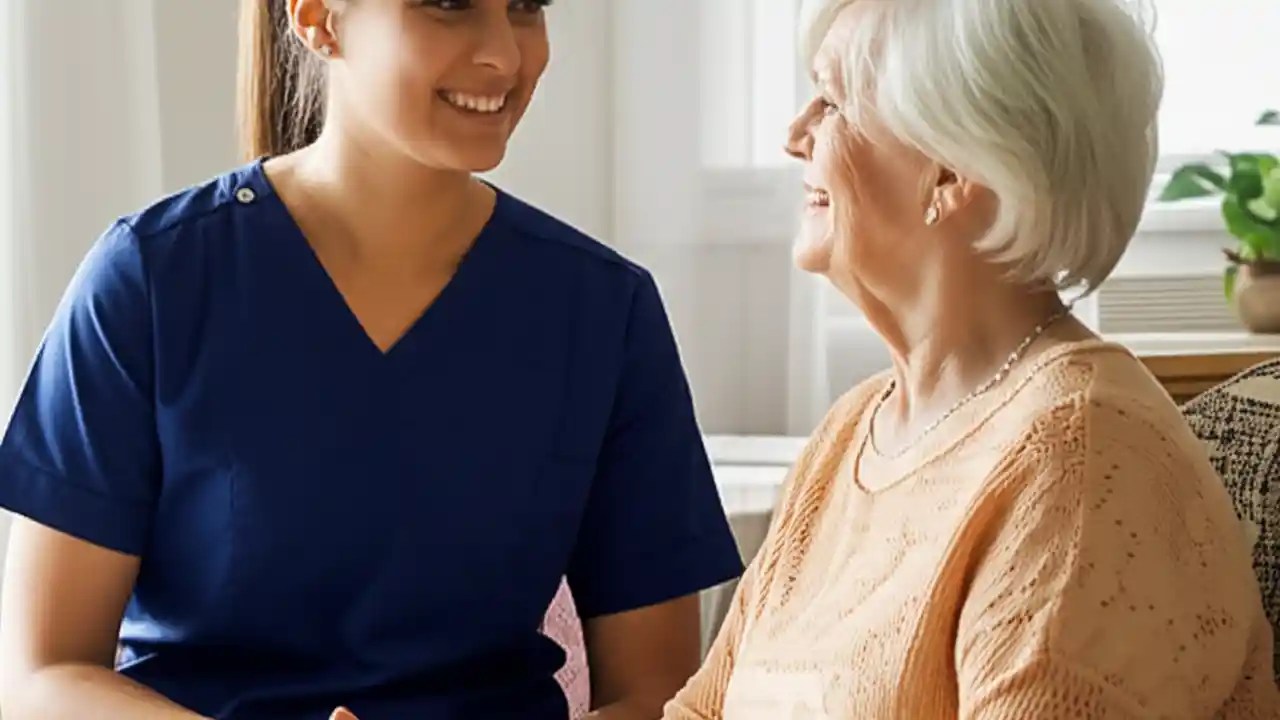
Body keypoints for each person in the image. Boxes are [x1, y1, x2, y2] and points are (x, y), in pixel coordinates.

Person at [0, 0, 743, 718]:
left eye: (525, 5)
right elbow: (42, 675)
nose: (505, 54)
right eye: (448, 4)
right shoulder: (153, 279)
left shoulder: (604, 312)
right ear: (320, 17)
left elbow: (661, 697)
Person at [663, 0, 1280, 717]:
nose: (795, 136)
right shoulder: (852, 432)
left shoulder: (1080, 458)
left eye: (831, 102)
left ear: (952, 169)